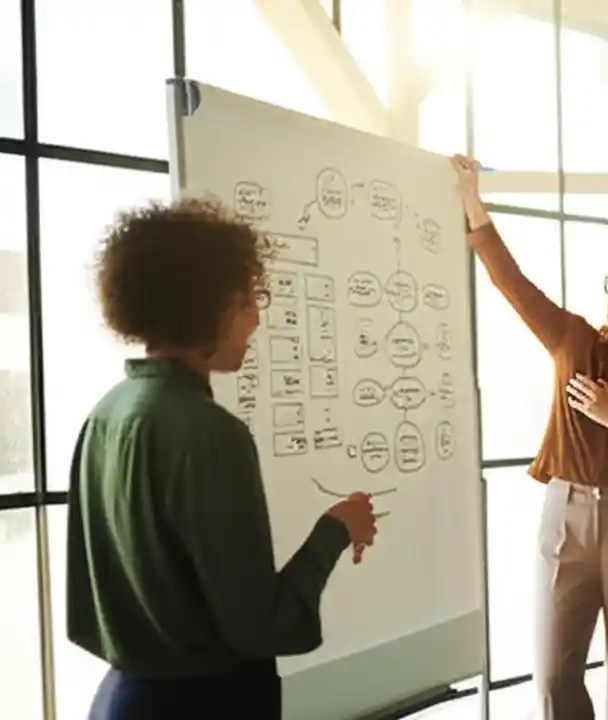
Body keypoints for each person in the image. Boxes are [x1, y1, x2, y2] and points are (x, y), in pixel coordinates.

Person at [67, 199, 378, 720]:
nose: (256, 318)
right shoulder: (210, 434)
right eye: (245, 301)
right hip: (204, 703)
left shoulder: (106, 414)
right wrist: (336, 530)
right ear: (204, 306)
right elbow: (259, 625)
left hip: (121, 700)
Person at [450, 155, 608, 720]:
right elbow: (514, 285)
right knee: (554, 676)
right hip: (565, 512)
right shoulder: (575, 339)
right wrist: (472, 202)